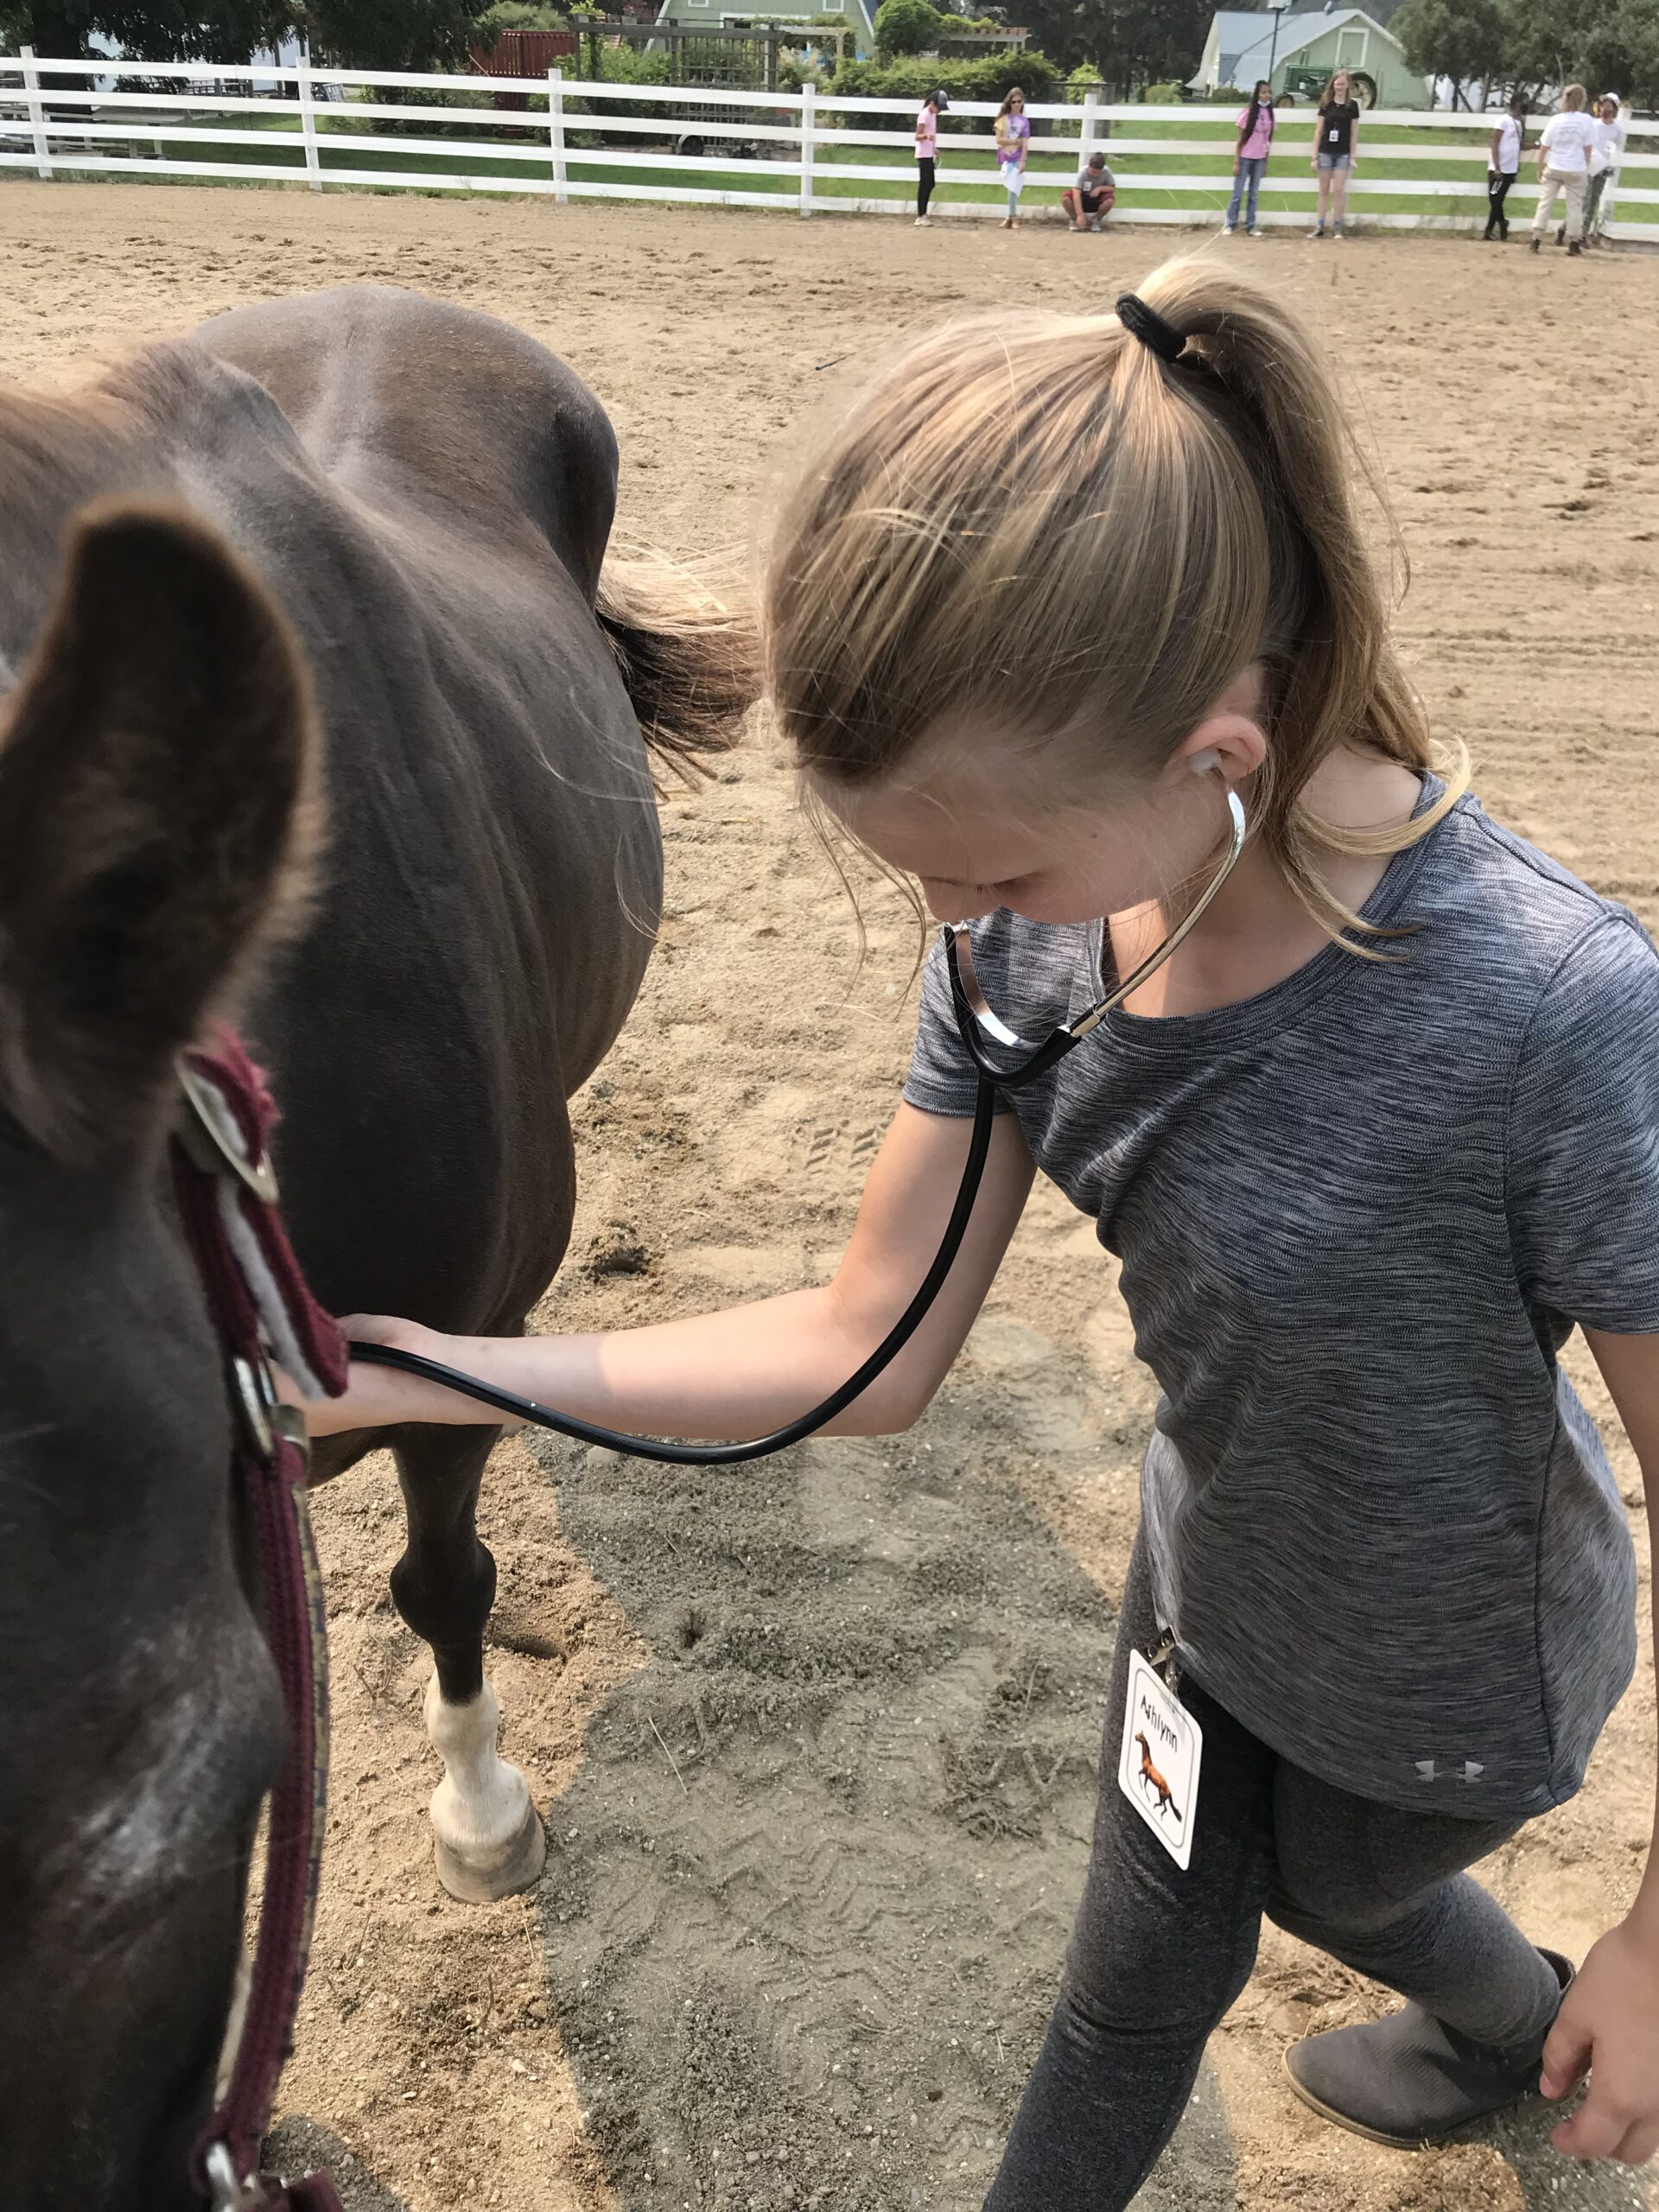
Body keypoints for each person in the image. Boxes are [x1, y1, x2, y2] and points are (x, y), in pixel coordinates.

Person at [310, 257, 1659, 2207]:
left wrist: (1654, 1934)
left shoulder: (1553, 1014)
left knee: (1333, 1884)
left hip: (1448, 1694)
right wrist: (424, 1365)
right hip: (1204, 1586)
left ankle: (1504, 2009)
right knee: (1129, 1999)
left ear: (1217, 758)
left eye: (997, 868)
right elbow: (867, 1340)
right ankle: (1493, 2017)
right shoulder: (1024, 954)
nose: (955, 924)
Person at [1532, 83, 1597, 256]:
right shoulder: (1586, 120)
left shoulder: (1556, 120)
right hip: (1576, 168)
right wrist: (1586, 165)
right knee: (1575, 206)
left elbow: (1544, 147)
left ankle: (1536, 239)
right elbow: (1588, 149)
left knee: (1545, 202)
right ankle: (1574, 243)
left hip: (1555, 166)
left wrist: (1540, 167)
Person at [1310, 68, 1360, 239]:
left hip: (1342, 153)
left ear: (1347, 86)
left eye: (1342, 84)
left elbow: (1354, 133)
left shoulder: (1352, 106)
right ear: (1333, 85)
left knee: (1339, 190)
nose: (1339, 87)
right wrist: (1314, 156)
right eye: (1337, 84)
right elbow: (1319, 130)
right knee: (1324, 189)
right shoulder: (1326, 103)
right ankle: (1320, 225)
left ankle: (1337, 225)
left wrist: (1352, 155)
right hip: (1325, 151)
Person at [1224, 78, 1274, 236]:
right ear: (1257, 94)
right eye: (1263, 92)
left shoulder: (1269, 114)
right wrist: (1237, 161)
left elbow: (1268, 140)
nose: (1266, 95)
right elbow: (1240, 139)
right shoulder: (1248, 113)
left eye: (1268, 93)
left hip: (1260, 158)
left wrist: (1266, 161)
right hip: (1245, 156)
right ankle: (1230, 224)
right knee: (1237, 193)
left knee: (1254, 194)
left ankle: (1251, 226)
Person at [1484, 93, 1525, 241]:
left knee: (1498, 200)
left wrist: (1538, 146)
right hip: (1499, 170)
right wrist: (1497, 167)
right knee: (1494, 197)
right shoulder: (1504, 121)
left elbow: (1519, 144)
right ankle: (1502, 223)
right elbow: (1495, 142)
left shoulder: (1519, 123)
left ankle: (1489, 230)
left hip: (1510, 170)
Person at [1585, 92, 1623, 245]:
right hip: (1589, 166)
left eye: (1608, 105)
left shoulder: (1617, 130)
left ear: (1614, 109)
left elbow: (1614, 150)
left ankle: (1582, 234)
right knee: (1584, 201)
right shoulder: (1592, 124)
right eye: (1603, 105)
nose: (1604, 108)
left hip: (1602, 168)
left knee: (1593, 202)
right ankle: (1569, 229)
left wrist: (1609, 165)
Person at [994, 86, 1030, 231]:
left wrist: (1023, 161)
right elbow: (998, 140)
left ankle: (1011, 217)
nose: (1016, 104)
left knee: (1013, 187)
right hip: (1007, 156)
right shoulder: (1003, 120)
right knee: (1011, 186)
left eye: (1019, 101)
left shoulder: (1024, 121)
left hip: (1017, 157)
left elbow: (1025, 143)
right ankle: (1011, 217)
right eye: (1014, 102)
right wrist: (1014, 141)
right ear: (1009, 103)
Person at [914, 86, 948, 227]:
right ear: (932, 104)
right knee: (925, 184)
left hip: (928, 153)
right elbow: (917, 136)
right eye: (939, 107)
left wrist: (934, 149)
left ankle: (923, 213)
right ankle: (921, 214)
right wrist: (926, 137)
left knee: (929, 183)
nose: (940, 111)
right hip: (923, 154)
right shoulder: (924, 115)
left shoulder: (932, 115)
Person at [1062, 149, 1116, 232]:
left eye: (1098, 173)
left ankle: (1096, 221)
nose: (1095, 175)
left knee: (1109, 200)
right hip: (1083, 197)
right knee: (1066, 198)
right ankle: (1075, 219)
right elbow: (1076, 192)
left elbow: (1112, 187)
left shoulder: (1106, 172)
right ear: (1089, 166)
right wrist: (1079, 214)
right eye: (1093, 171)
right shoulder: (1083, 172)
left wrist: (1100, 188)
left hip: (1097, 199)